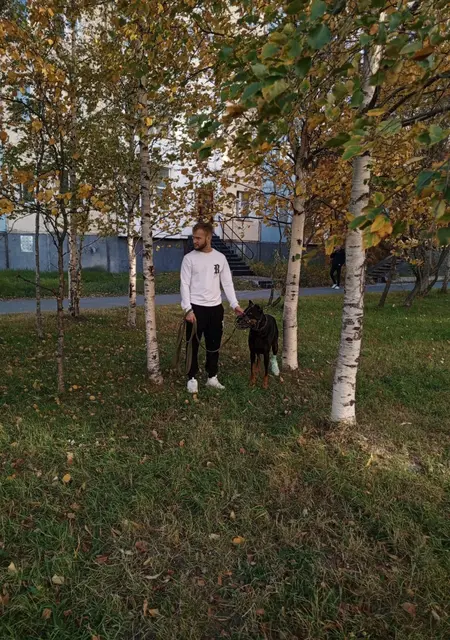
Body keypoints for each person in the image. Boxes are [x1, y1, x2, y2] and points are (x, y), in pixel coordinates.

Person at [180, 221, 244, 393]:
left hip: (215, 309)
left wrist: (234, 304)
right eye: (194, 237)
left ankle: (212, 376)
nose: (194, 241)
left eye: (198, 238)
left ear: (208, 238)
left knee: (214, 344)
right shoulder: (189, 259)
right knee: (193, 344)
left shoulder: (220, 258)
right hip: (195, 308)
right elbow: (184, 284)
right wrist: (187, 309)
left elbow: (227, 283)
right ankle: (191, 377)